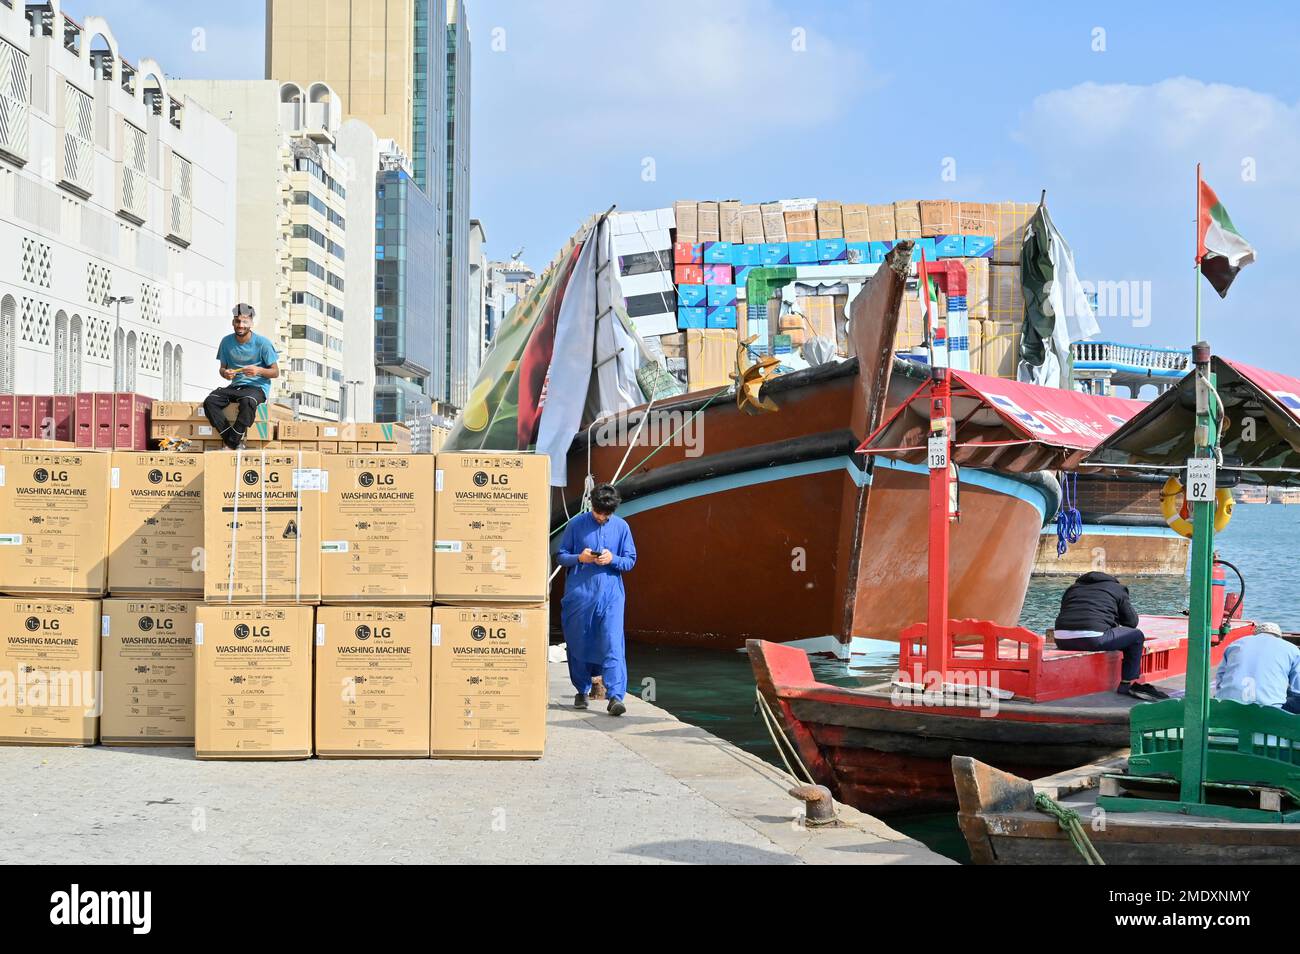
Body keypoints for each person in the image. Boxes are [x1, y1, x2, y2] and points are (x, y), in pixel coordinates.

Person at [556, 484, 637, 716]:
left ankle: (615, 696)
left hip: (611, 597)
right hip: (580, 597)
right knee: (578, 642)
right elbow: (561, 556)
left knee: (612, 642)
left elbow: (630, 560)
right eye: (598, 512)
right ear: (592, 506)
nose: (602, 517)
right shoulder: (575, 525)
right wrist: (580, 557)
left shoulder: (622, 527)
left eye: (607, 514)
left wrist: (613, 558)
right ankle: (581, 690)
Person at [1053, 571, 1170, 700]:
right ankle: (1127, 684)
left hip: (1061, 638)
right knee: (1136, 636)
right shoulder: (1117, 589)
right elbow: (1131, 622)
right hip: (1093, 638)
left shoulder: (1072, 589)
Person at [203, 303, 279, 450]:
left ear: (251, 323)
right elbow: (222, 369)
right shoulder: (226, 342)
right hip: (235, 386)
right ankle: (234, 441)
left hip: (256, 388)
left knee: (248, 402)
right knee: (210, 401)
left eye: (245, 321)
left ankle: (230, 443)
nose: (240, 325)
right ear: (233, 322)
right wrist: (225, 373)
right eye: (237, 321)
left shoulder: (263, 344)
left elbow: (275, 372)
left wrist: (258, 370)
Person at [1214, 623, 1300, 713]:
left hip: (1227, 705)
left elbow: (1219, 680)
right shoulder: (1292, 649)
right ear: (1279, 636)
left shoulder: (1235, 644)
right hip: (1270, 710)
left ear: (1255, 634)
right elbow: (1297, 689)